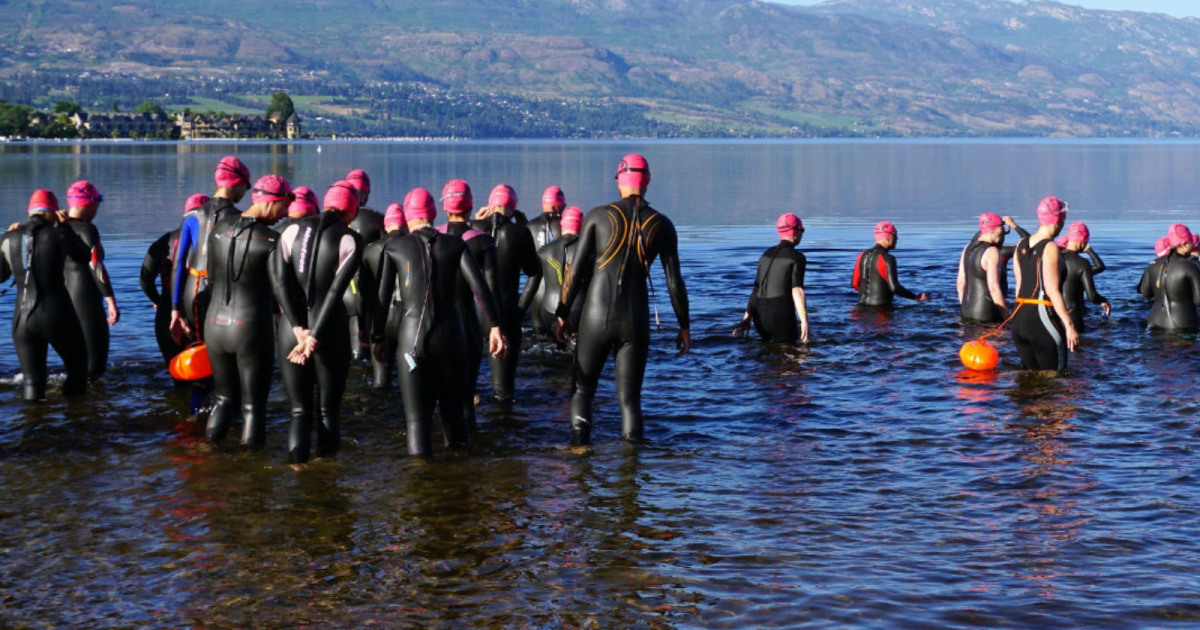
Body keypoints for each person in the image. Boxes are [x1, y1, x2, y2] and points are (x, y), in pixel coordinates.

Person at [555, 154, 690, 445]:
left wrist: (562, 312)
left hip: (596, 316)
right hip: (635, 320)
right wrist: (684, 326)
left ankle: (580, 451)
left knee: (582, 390)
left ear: (619, 181)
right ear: (648, 181)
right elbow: (674, 282)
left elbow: (574, 272)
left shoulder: (596, 216)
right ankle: (630, 474)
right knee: (630, 401)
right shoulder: (663, 224)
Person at [373, 188, 506, 455]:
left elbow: (381, 300)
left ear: (408, 215)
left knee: (416, 423)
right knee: (454, 420)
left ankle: (421, 482)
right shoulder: (457, 246)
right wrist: (495, 327)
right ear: (434, 214)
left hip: (411, 341)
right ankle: (459, 482)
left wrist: (377, 338)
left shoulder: (394, 247)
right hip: (451, 340)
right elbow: (480, 288)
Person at [270, 180, 363, 464]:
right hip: (329, 330)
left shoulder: (291, 230)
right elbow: (336, 292)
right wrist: (314, 336)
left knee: (298, 411)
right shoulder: (350, 239)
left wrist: (298, 328)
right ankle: (325, 477)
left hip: (290, 330)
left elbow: (279, 283)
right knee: (328, 411)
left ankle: (297, 470)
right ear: (352, 211)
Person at [203, 175, 292, 449]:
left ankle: (206, 456)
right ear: (271, 202)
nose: (285, 214)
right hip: (250, 327)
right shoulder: (273, 240)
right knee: (254, 408)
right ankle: (254, 479)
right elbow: (282, 291)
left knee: (224, 400)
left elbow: (211, 280)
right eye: (284, 206)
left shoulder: (218, 229)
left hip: (214, 325)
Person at [0, 190, 90, 400]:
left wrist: (8, 239)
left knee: (32, 381)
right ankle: (77, 421)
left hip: (22, 319)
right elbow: (84, 255)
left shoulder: (10, 237)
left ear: (31, 212)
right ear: (52, 212)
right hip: (57, 315)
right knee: (78, 370)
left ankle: (33, 427)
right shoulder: (59, 234)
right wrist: (66, 226)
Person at [170, 155, 250, 343]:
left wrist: (175, 309)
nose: (245, 192)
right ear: (236, 182)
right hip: (223, 294)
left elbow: (179, 263)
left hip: (194, 292)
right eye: (245, 186)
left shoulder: (191, 215)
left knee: (199, 350)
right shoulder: (240, 218)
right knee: (224, 354)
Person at [437, 179, 498, 426]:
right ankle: (469, 450)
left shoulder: (431, 237)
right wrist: (496, 325)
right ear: (470, 207)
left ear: (444, 208)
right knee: (466, 396)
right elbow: (488, 289)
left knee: (440, 394)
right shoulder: (482, 241)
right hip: (468, 324)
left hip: (437, 324)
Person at [472, 183, 540, 402]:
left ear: (490, 205)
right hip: (505, 314)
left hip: (473, 312)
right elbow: (534, 272)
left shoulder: (472, 228)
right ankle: (504, 429)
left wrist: (474, 220)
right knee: (503, 392)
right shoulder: (520, 232)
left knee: (465, 385)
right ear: (514, 208)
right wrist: (520, 309)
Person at [140, 193, 207, 383]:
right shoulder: (208, 245)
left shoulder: (162, 242)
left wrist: (158, 301)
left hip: (167, 315)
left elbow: (145, 280)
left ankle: (175, 410)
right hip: (197, 311)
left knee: (178, 375)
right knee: (206, 378)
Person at [1011, 196, 1079, 371]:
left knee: (1029, 381)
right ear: (1058, 221)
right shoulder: (1050, 247)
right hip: (1041, 319)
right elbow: (1052, 290)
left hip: (1019, 320)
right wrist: (1069, 324)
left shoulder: (1020, 245)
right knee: (1056, 380)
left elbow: (1019, 286)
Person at [61, 180, 120, 379]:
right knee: (95, 370)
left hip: (63, 302)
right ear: (89, 204)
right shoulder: (87, 230)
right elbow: (96, 265)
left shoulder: (56, 229)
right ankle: (93, 406)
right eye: (97, 204)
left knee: (74, 366)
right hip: (86, 302)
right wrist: (110, 300)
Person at [733, 212, 810, 343]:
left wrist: (746, 318)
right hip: (781, 316)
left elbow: (756, 288)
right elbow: (797, 290)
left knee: (766, 355)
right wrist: (804, 321)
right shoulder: (797, 257)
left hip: (759, 317)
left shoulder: (765, 255)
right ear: (795, 231)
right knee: (793, 357)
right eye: (802, 230)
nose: (802, 234)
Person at [360, 202, 407, 389]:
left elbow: (362, 293)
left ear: (386, 226)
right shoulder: (411, 247)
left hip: (379, 317)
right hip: (406, 316)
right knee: (410, 378)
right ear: (405, 224)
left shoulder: (370, 249)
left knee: (380, 380)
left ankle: (378, 412)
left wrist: (362, 324)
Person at [521, 206, 585, 340]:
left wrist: (518, 315)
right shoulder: (590, 252)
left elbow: (530, 287)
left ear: (562, 225)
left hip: (548, 311)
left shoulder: (544, 251)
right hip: (578, 311)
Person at [343, 169, 384, 362]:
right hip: (367, 295)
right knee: (364, 357)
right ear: (366, 194)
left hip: (338, 296)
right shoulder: (377, 219)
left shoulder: (333, 220)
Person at [1137, 223, 1200, 332]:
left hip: (1153, 323)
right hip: (1182, 324)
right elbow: (1198, 301)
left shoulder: (1153, 264)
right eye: (1191, 243)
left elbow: (1145, 293)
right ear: (1184, 244)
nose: (1192, 246)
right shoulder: (1190, 267)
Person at [852, 221, 929, 307]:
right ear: (888, 237)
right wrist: (916, 298)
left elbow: (855, 284)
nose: (897, 238)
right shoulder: (887, 258)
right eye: (895, 235)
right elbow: (894, 288)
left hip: (860, 310)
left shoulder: (862, 255)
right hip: (881, 313)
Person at [523, 185, 566, 336]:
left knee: (538, 337)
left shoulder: (529, 226)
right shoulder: (564, 226)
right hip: (557, 293)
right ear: (558, 206)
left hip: (536, 294)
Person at [957, 212, 1010, 323]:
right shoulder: (991, 252)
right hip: (986, 315)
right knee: (997, 340)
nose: (1004, 232)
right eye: (1002, 228)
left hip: (966, 312)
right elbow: (993, 288)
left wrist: (965, 306)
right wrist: (1007, 317)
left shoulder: (967, 248)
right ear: (994, 230)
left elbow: (960, 284)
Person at [1057, 221, 1110, 332]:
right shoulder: (1081, 263)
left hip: (1053, 316)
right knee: (1080, 347)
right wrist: (1104, 300)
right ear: (1083, 240)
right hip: (1073, 317)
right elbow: (1092, 297)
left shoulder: (1055, 259)